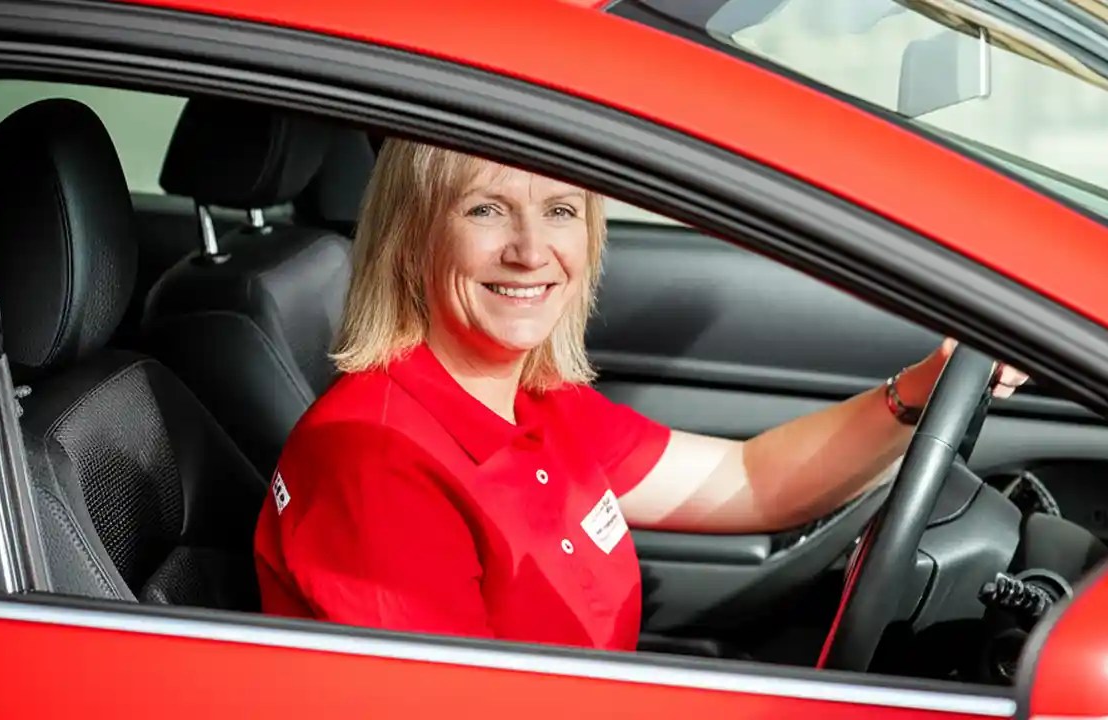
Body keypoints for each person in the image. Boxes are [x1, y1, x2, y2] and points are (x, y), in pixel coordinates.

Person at [253, 140, 1028, 651]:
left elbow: (750, 482)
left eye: (559, 210)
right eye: (485, 210)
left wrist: (916, 393)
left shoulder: (531, 397)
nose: (531, 251)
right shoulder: (372, 462)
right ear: (412, 235)